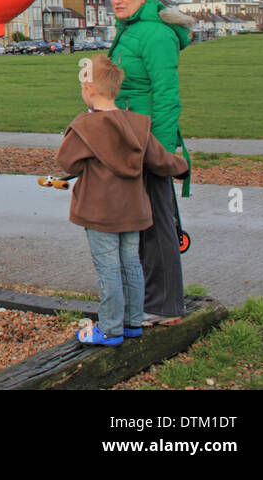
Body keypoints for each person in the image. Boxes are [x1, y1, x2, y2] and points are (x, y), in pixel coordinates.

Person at [55, 55, 190, 345]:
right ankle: (131, 322)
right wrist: (183, 167)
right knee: (131, 265)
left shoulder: (85, 128)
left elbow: (67, 163)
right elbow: (160, 160)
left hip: (99, 212)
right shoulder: (138, 126)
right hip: (133, 211)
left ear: (89, 90)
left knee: (108, 269)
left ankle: (110, 328)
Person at [104, 0, 195, 320]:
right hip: (129, 138)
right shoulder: (128, 29)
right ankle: (145, 300)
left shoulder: (154, 34)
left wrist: (159, 149)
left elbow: (167, 95)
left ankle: (165, 306)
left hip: (147, 141)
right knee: (140, 223)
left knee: (157, 225)